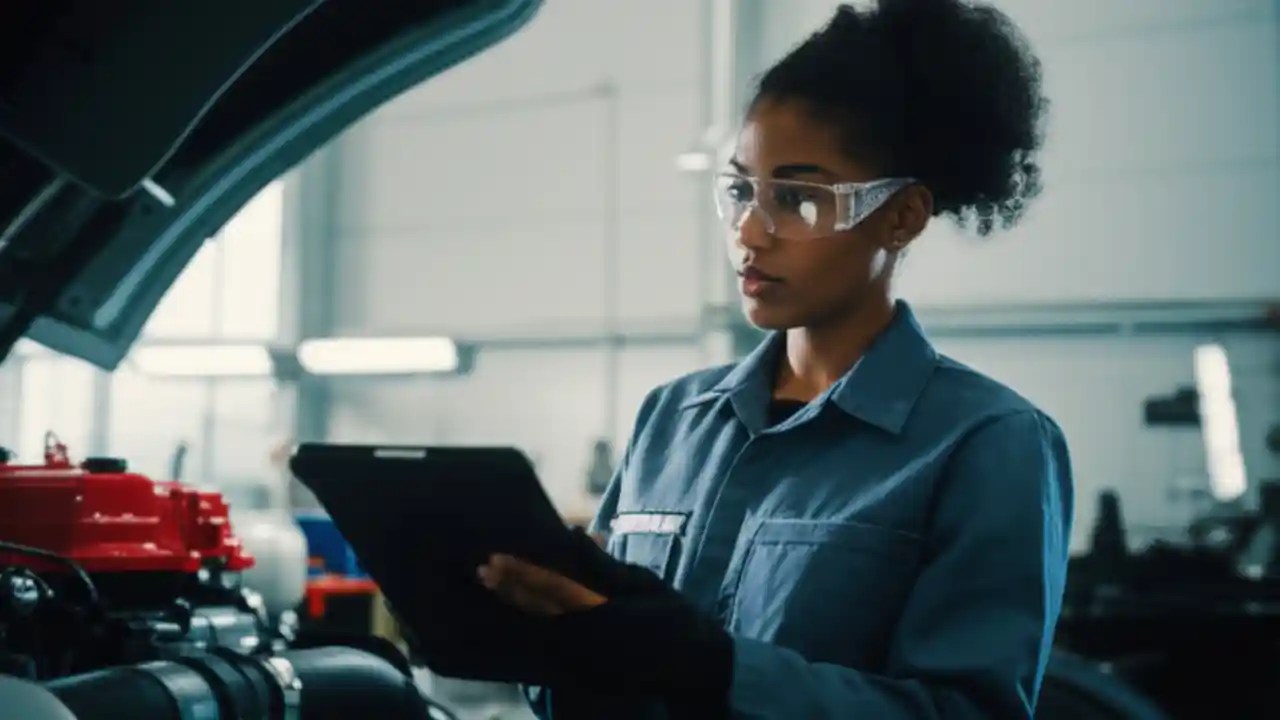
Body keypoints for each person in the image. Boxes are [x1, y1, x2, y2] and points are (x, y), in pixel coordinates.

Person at [474, 0, 1072, 717]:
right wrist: (520, 633)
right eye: (738, 191)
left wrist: (711, 670)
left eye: (797, 198)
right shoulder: (672, 420)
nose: (750, 234)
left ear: (902, 215)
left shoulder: (986, 443)